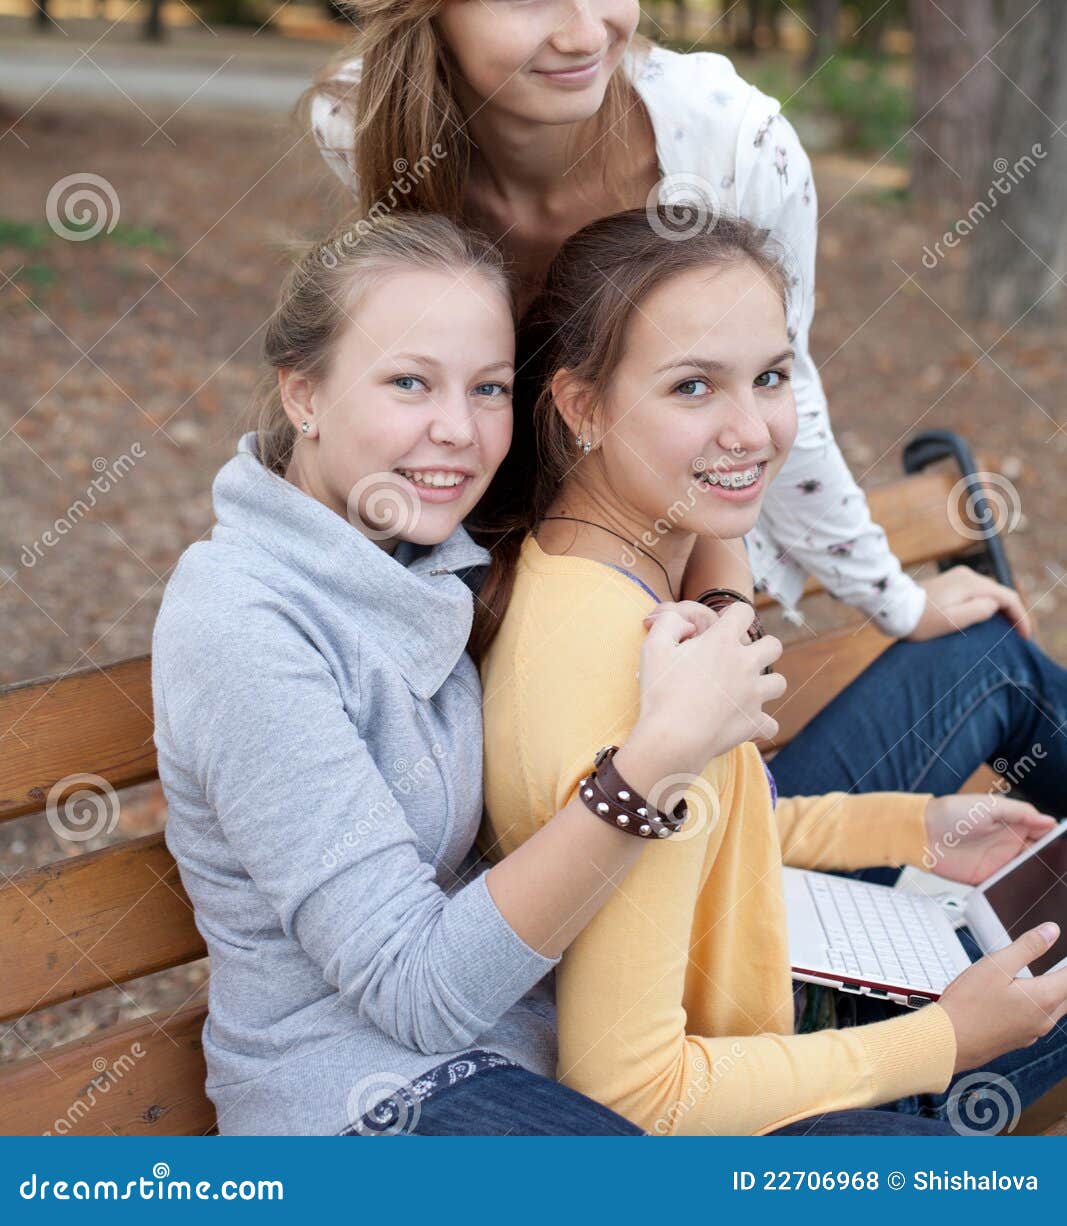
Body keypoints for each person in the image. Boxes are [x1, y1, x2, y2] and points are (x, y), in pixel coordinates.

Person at [303, 0, 1027, 648]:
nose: (585, 31)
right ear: (427, 8)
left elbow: (774, 386)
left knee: (998, 667)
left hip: (679, 563)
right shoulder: (360, 127)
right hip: (476, 560)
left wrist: (893, 600)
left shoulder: (731, 143)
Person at [151, 210, 791, 1137]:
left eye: (488, 388)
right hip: (364, 1112)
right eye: (408, 382)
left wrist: (723, 610)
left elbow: (690, 486)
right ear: (303, 395)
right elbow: (412, 991)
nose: (456, 430)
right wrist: (657, 761)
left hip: (531, 1062)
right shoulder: (240, 625)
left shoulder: (429, 546)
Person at [477, 207, 1067, 1134]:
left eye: (769, 376)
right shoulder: (640, 682)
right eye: (692, 387)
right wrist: (945, 1039)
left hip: (776, 954)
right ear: (580, 407)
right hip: (769, 1092)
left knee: (986, 660)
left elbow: (708, 831)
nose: (751, 430)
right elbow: (630, 1094)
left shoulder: (593, 564)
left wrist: (907, 827)